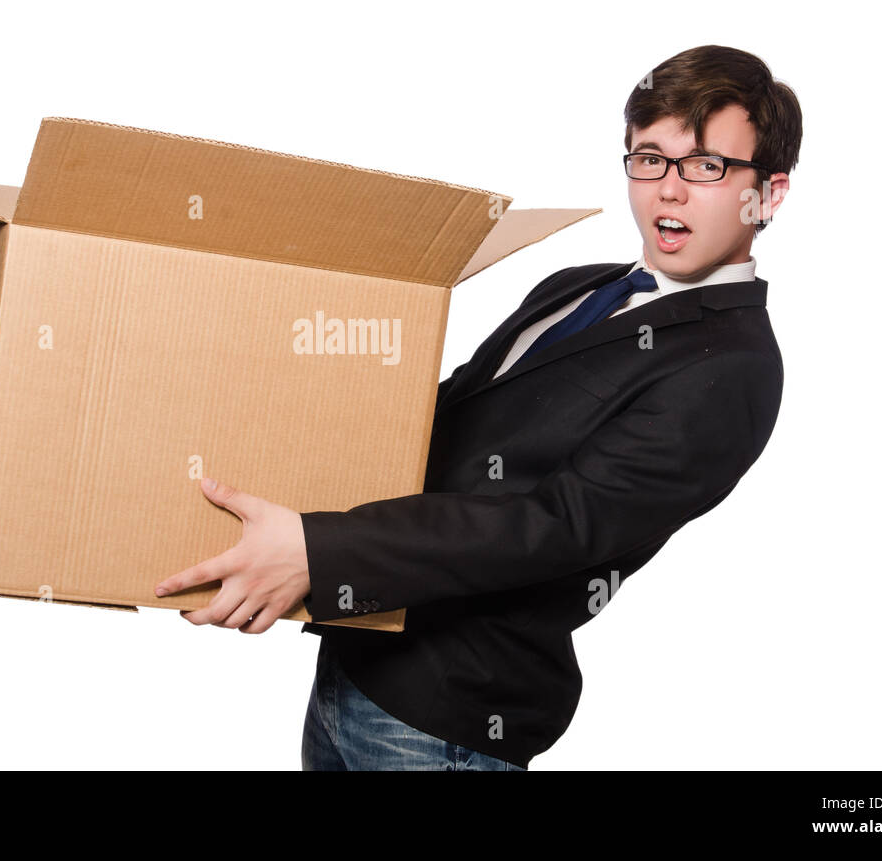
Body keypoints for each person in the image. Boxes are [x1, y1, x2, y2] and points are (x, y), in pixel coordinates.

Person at [155, 44, 802, 771]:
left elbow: (552, 528)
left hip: (448, 726)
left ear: (769, 193)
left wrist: (318, 550)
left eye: (706, 165)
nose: (669, 189)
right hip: (358, 667)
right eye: (649, 158)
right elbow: (444, 420)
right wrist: (283, 426)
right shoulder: (580, 283)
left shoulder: (736, 366)